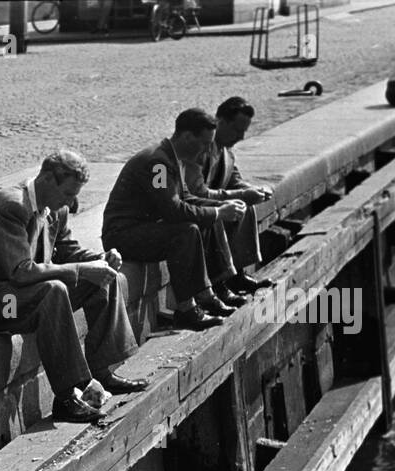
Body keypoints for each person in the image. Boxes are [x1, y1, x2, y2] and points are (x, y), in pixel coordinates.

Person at [0, 150, 149, 425]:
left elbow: (68, 252)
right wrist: (82, 270)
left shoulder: (56, 208)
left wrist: (99, 261)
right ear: (48, 180)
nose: (73, 202)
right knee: (53, 291)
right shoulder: (10, 205)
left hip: (14, 296)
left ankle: (103, 372)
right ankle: (67, 397)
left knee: (101, 276)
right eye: (68, 193)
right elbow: (20, 271)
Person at [102, 108, 249, 331]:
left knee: (207, 219)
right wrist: (218, 212)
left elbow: (186, 197)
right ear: (187, 136)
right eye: (203, 143)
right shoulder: (158, 164)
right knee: (186, 231)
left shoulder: (171, 157)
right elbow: (172, 209)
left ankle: (210, 292)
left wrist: (218, 207)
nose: (207, 150)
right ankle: (187, 309)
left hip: (143, 228)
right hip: (123, 235)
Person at [182, 96, 275, 298]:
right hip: (194, 205)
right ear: (221, 122)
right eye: (236, 130)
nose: (240, 136)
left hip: (210, 202)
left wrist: (254, 191)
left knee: (245, 204)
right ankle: (218, 282)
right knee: (228, 209)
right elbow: (197, 192)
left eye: (243, 131)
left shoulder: (226, 152)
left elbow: (234, 179)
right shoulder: (201, 147)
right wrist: (241, 195)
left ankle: (237, 273)